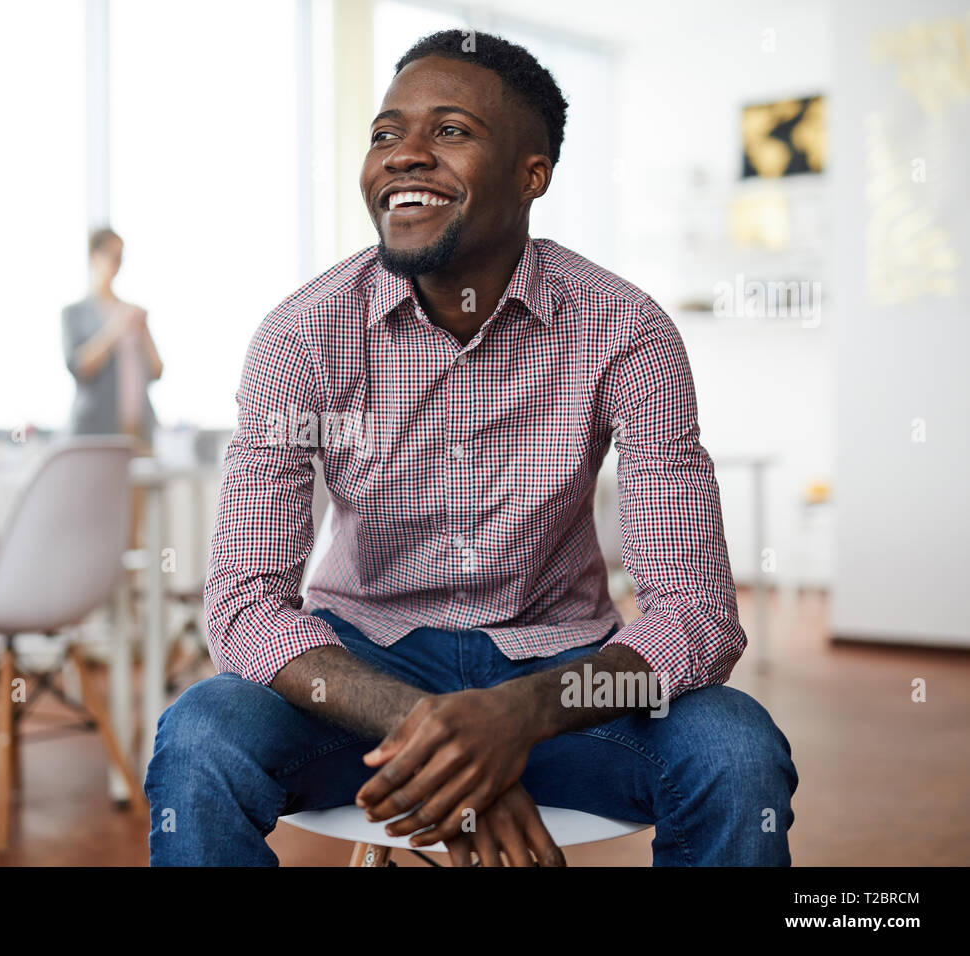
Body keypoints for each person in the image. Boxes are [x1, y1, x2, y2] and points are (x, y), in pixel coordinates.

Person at [146, 31, 798, 866]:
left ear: (533, 174)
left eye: (449, 130)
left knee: (735, 751)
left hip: (562, 676)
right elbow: (244, 605)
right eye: (386, 134)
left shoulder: (625, 330)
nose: (404, 157)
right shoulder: (301, 335)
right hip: (358, 677)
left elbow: (697, 614)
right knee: (202, 737)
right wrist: (444, 736)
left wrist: (520, 717)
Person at [62, 227, 163, 446]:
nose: (117, 262)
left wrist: (144, 333)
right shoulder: (75, 313)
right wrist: (115, 330)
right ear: (94, 256)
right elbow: (79, 367)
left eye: (121, 256)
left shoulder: (133, 312)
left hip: (138, 428)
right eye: (112, 255)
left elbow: (157, 370)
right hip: (96, 430)